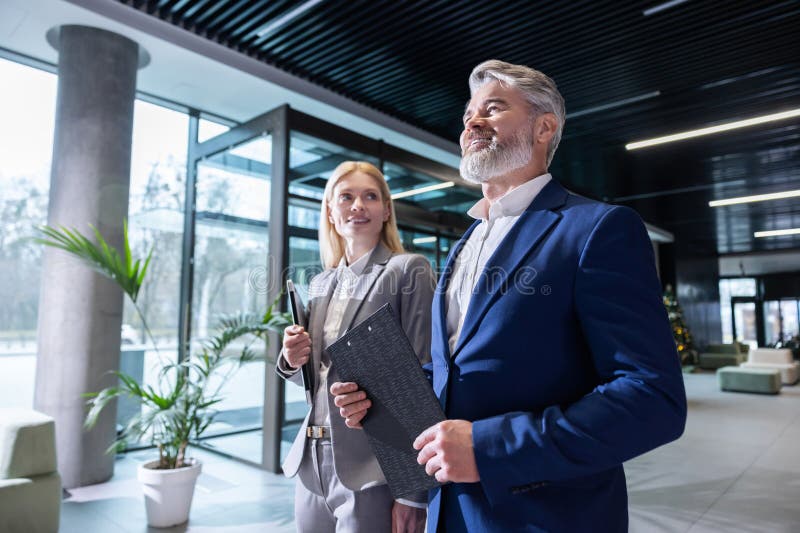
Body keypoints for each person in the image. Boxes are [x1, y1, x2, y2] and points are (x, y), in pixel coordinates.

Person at [332, 60, 687, 531]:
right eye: (467, 115)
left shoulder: (597, 228)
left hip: (545, 514)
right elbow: (460, 368)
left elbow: (652, 398)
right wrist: (383, 395)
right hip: (452, 510)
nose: (471, 123)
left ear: (544, 127)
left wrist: (490, 447)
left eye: (493, 109)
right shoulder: (466, 243)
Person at [277, 161, 435, 533]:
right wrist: (290, 358)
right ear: (331, 211)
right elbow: (317, 377)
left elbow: (421, 378)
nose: (358, 205)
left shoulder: (407, 269)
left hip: (372, 465)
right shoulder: (320, 283)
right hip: (310, 460)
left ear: (386, 211)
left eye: (370, 196)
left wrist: (413, 492)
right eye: (346, 197)